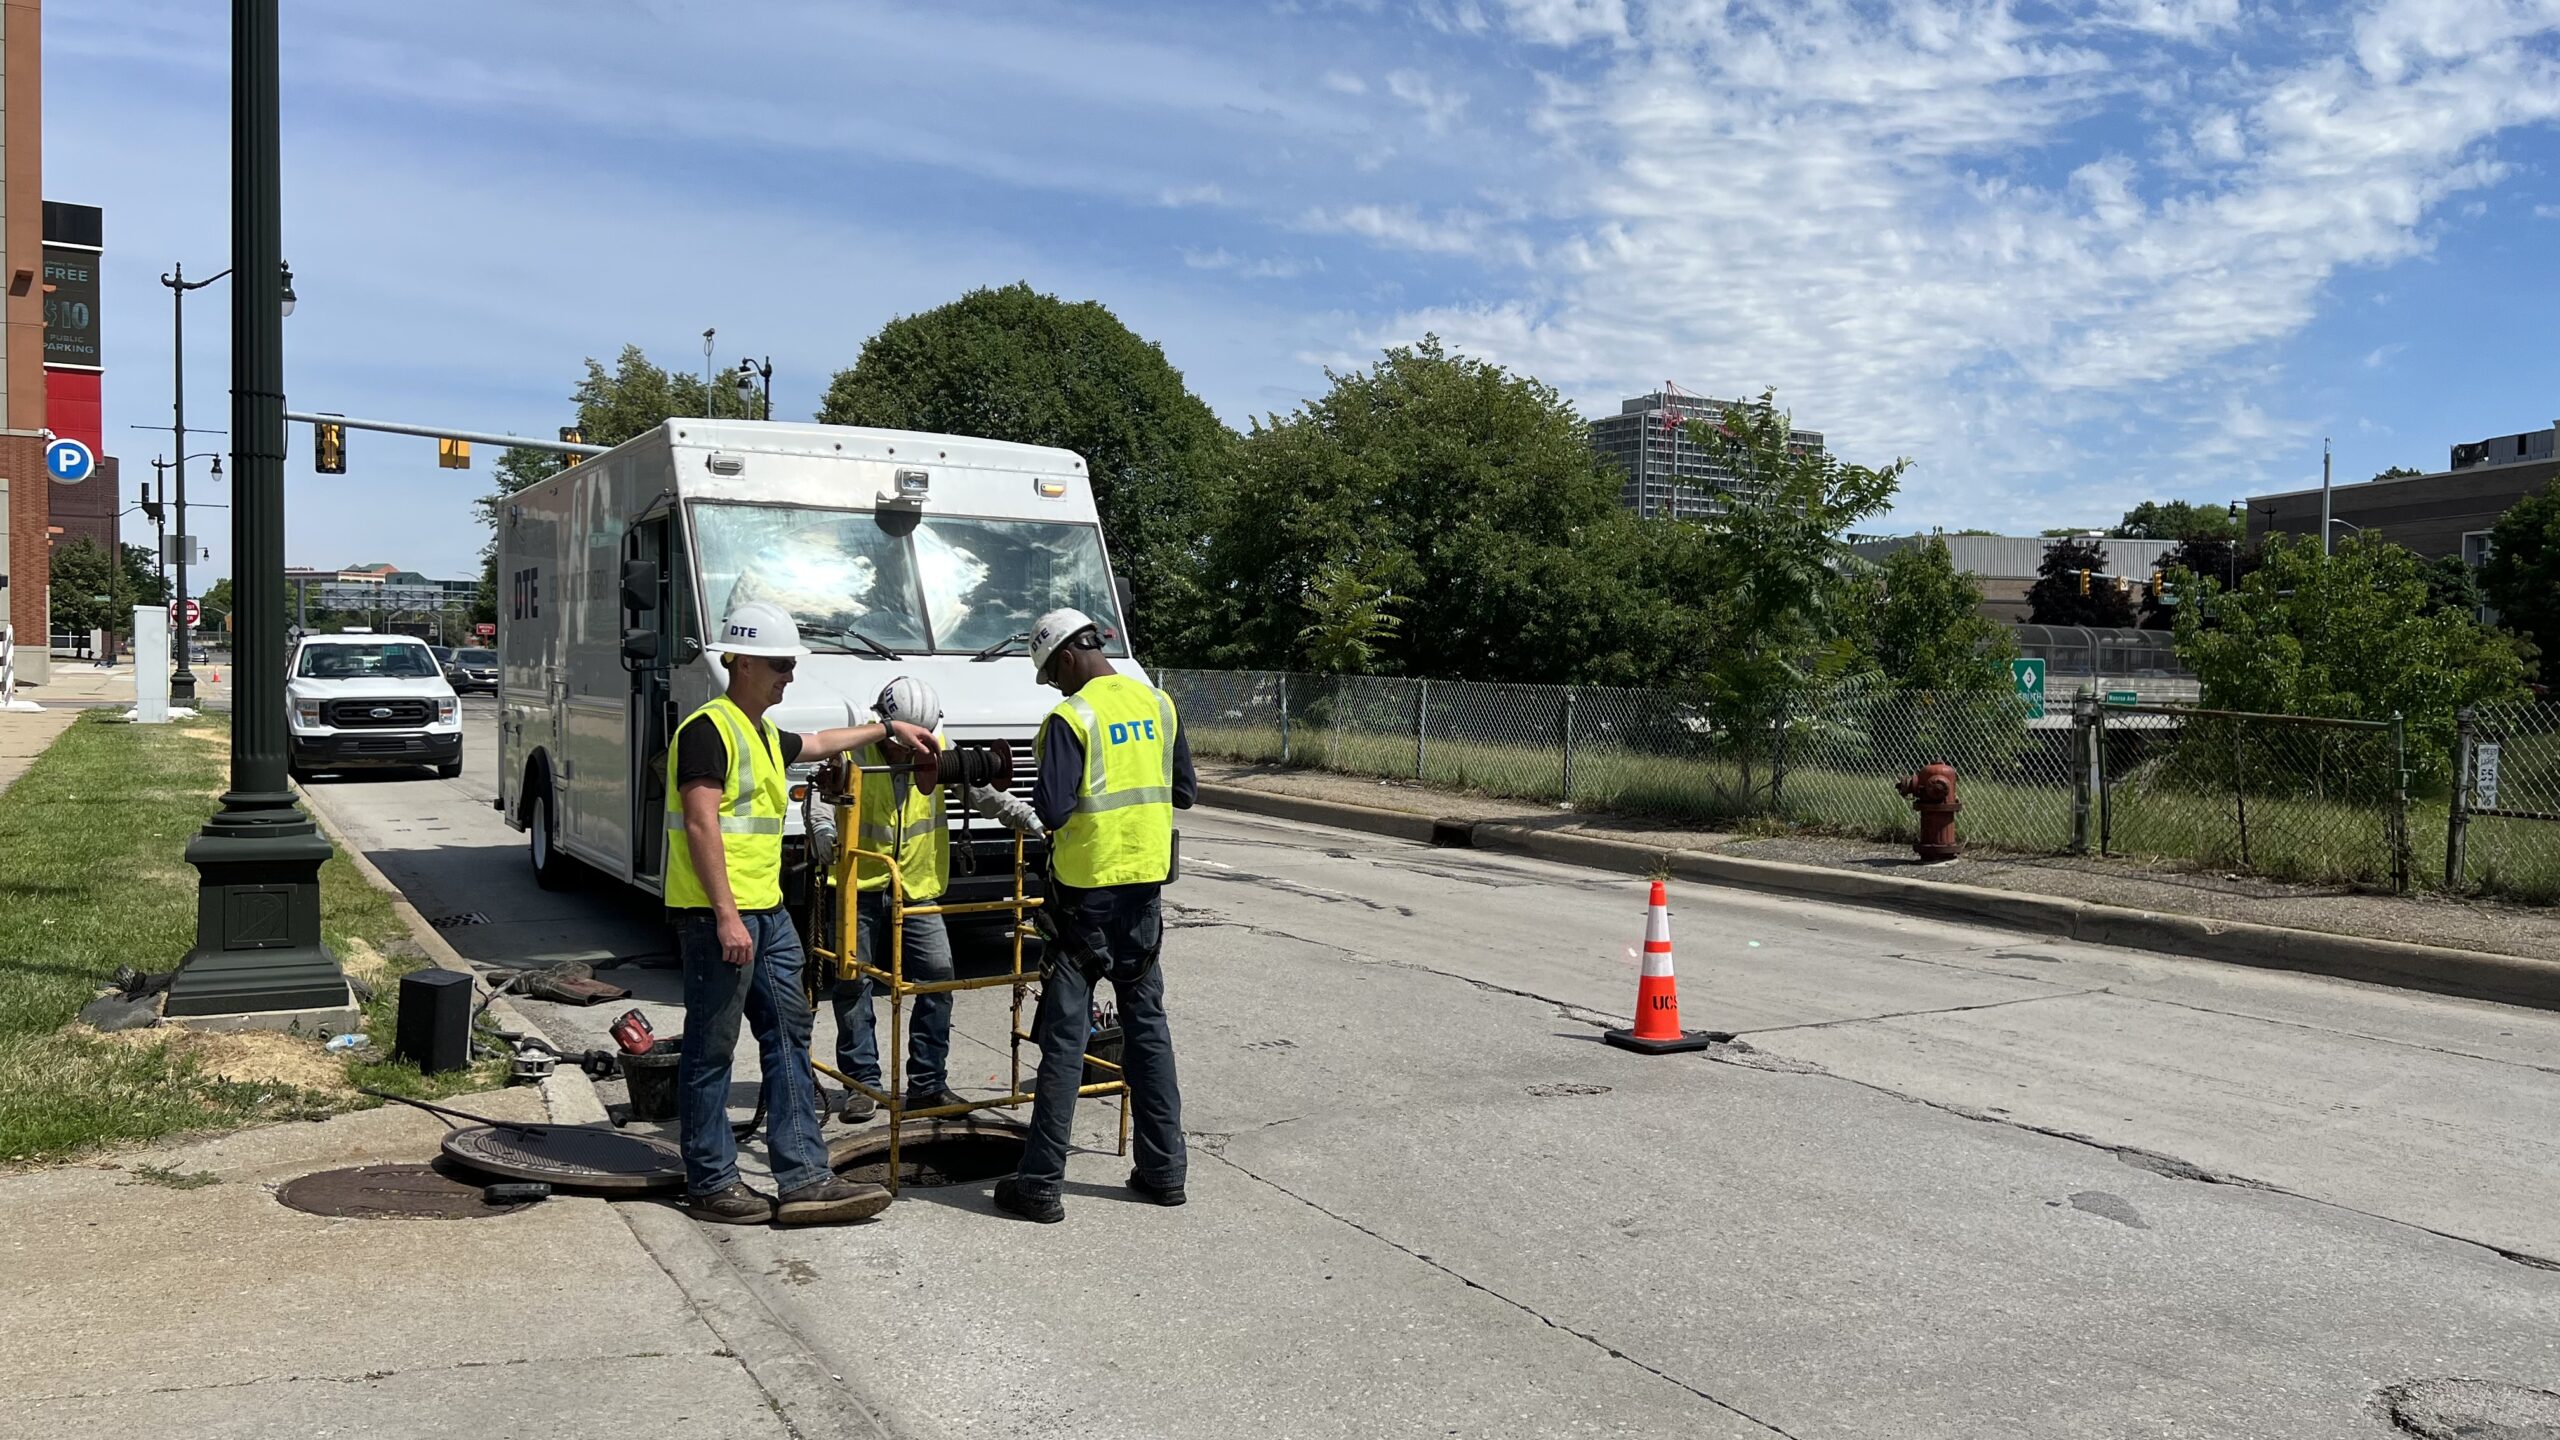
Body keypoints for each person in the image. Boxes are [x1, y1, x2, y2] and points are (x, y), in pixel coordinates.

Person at [668, 601, 941, 1226]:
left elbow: (817, 742)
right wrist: (727, 916)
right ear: (738, 661)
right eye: (779, 665)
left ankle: (806, 1178)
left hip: (768, 913)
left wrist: (886, 730)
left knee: (789, 1034)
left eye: (790, 665)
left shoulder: (762, 732)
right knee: (711, 1051)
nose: (788, 676)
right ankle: (711, 1182)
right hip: (720, 918)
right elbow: (700, 821)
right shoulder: (709, 730)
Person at [994, 607, 1197, 1224]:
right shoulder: (1159, 705)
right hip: (1145, 897)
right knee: (1148, 1032)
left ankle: (1040, 1184)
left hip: (1084, 902)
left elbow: (1053, 811)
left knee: (1064, 1041)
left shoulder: (1070, 717)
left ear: (1064, 658)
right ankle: (1164, 1172)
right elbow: (1182, 791)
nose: (1053, 685)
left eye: (1050, 673)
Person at [828, 676, 1045, 1122]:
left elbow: (981, 792)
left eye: (922, 741)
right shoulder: (852, 750)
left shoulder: (936, 748)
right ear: (885, 724)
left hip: (916, 883)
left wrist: (1028, 819)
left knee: (940, 979)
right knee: (854, 982)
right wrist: (823, 835)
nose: (914, 751)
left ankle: (927, 1085)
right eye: (906, 741)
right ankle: (861, 1083)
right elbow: (823, 799)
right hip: (860, 880)